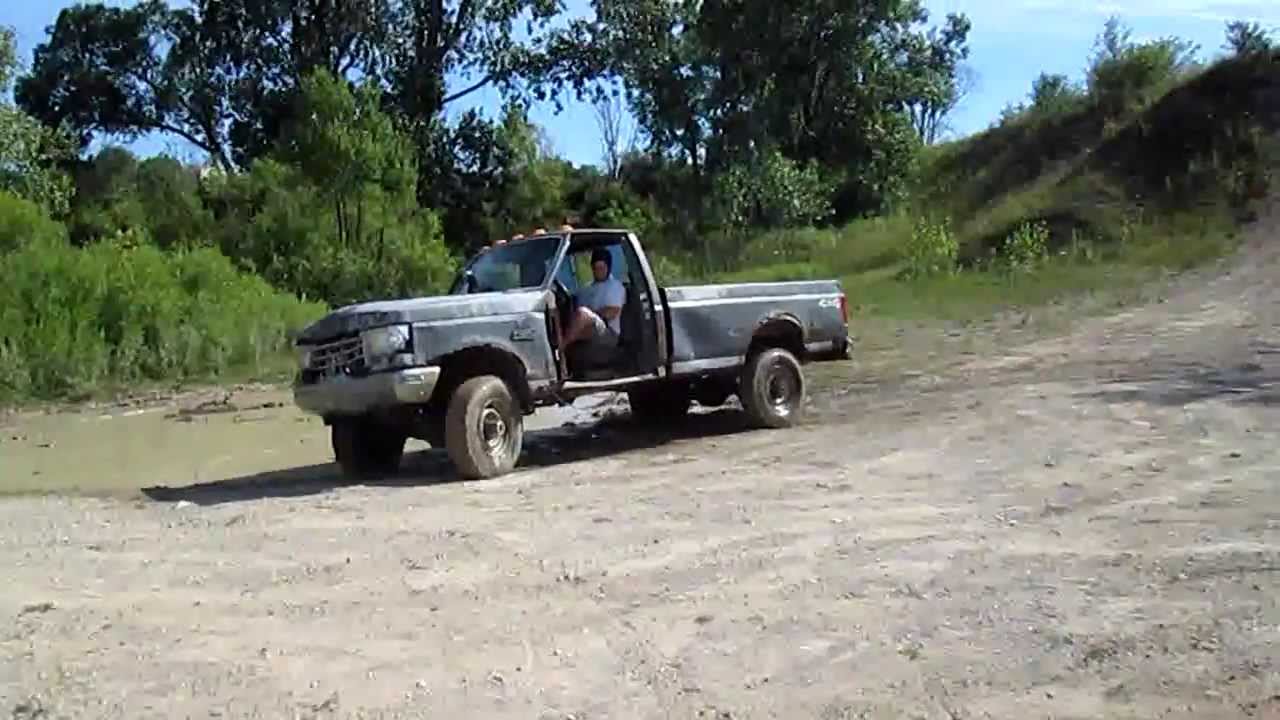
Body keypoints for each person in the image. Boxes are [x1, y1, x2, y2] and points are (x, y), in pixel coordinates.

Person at [563, 248, 625, 361]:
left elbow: (612, 312)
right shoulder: (587, 288)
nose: (598, 271)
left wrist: (589, 315)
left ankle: (561, 349)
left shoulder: (614, 286)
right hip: (590, 327)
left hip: (608, 332)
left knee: (583, 313)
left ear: (608, 268)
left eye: (601, 268)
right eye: (595, 268)